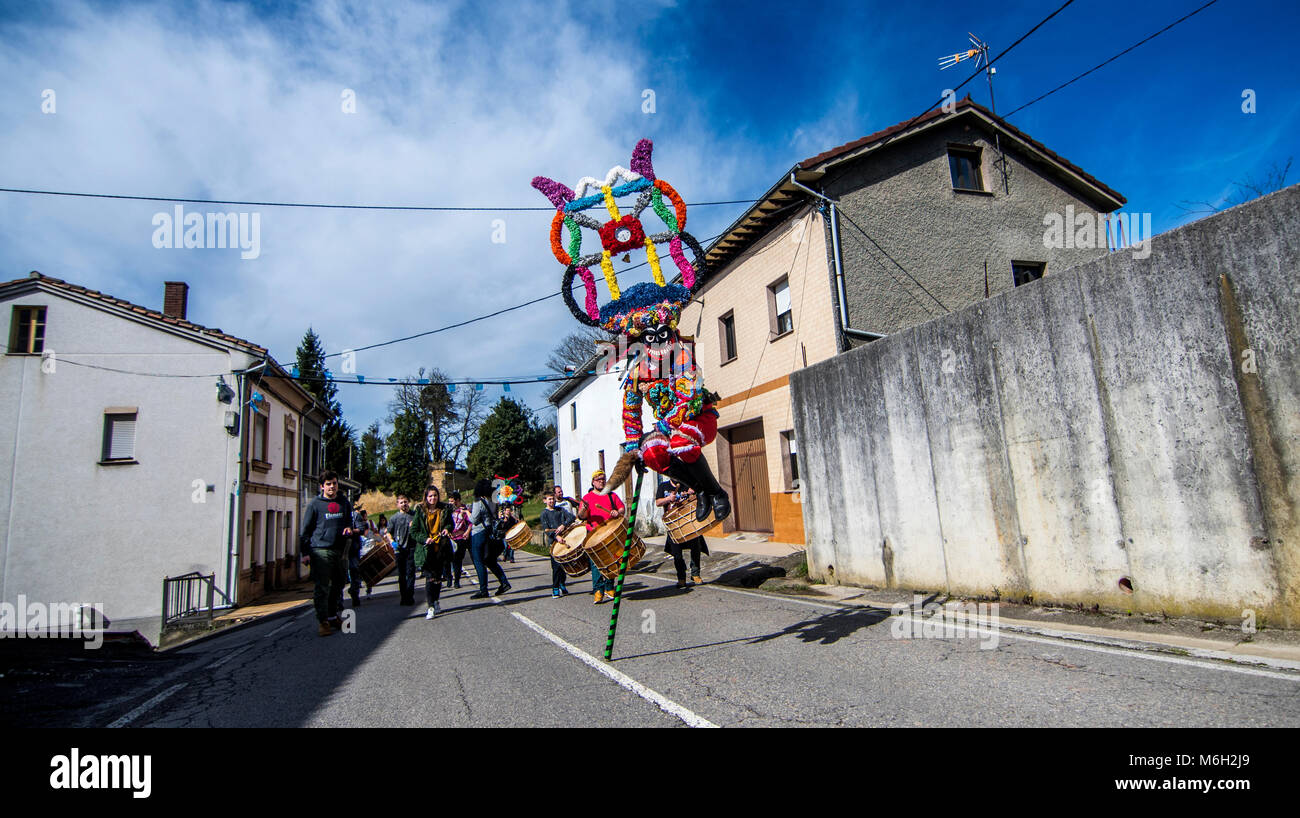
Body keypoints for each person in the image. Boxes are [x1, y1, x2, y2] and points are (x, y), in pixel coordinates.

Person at [299, 471, 355, 636]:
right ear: (322, 486)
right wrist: (305, 553)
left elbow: (348, 521)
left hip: (340, 550)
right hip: (320, 550)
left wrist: (348, 528)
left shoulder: (343, 502)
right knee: (322, 587)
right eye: (328, 484)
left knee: (339, 586)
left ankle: (332, 616)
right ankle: (322, 621)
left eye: (334, 483)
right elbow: (306, 531)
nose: (332, 487)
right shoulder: (315, 504)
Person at [578, 469, 624, 604]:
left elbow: (621, 509)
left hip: (610, 532)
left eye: (603, 479)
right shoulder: (587, 498)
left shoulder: (611, 495)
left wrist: (617, 512)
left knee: (612, 561)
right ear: (593, 482)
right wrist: (584, 510)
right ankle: (598, 590)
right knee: (596, 563)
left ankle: (610, 587)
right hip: (593, 534)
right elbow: (581, 516)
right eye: (598, 480)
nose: (601, 482)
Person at [656, 477, 709, 589]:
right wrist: (668, 499)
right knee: (677, 554)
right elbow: (658, 502)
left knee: (696, 548)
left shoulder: (686, 483)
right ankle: (681, 577)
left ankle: (695, 574)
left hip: (688, 523)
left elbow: (696, 494)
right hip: (673, 525)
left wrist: (691, 492)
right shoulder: (663, 486)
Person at [411, 487, 453, 619]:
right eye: (430, 496)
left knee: (438, 579)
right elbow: (414, 531)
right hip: (426, 550)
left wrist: (446, 529)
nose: (432, 498)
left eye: (435, 496)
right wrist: (424, 539)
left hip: (440, 548)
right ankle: (430, 607)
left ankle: (436, 601)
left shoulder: (444, 509)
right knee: (430, 578)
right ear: (426, 497)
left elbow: (450, 524)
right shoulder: (420, 511)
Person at [469, 479, 511, 599]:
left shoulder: (478, 501)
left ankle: (483, 590)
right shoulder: (493, 500)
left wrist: (466, 513)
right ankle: (504, 582)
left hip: (479, 532)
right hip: (489, 532)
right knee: (490, 560)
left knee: (479, 561)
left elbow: (474, 519)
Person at [540, 492, 575, 598]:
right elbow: (546, 529)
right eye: (549, 499)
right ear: (545, 500)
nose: (552, 501)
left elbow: (571, 517)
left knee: (564, 565)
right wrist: (556, 537)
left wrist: (563, 525)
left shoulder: (560, 510)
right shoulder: (544, 513)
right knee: (556, 567)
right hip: (554, 543)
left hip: (564, 540)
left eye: (553, 499)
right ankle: (555, 588)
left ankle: (562, 584)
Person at [388, 494, 416, 605]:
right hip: (399, 549)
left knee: (411, 573)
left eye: (405, 502)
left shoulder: (414, 515)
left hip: (411, 547)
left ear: (408, 502)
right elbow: (388, 532)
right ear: (397, 505)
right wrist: (392, 542)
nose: (404, 504)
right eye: (401, 502)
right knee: (402, 574)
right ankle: (403, 596)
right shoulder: (394, 518)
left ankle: (410, 595)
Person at [448, 491, 471, 588]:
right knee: (448, 560)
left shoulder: (464, 510)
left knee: (458, 560)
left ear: (457, 501)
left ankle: (456, 580)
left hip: (460, 538)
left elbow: (470, 522)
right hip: (450, 538)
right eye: (449, 501)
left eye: (452, 501)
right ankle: (449, 577)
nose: (450, 503)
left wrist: (467, 532)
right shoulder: (448, 511)